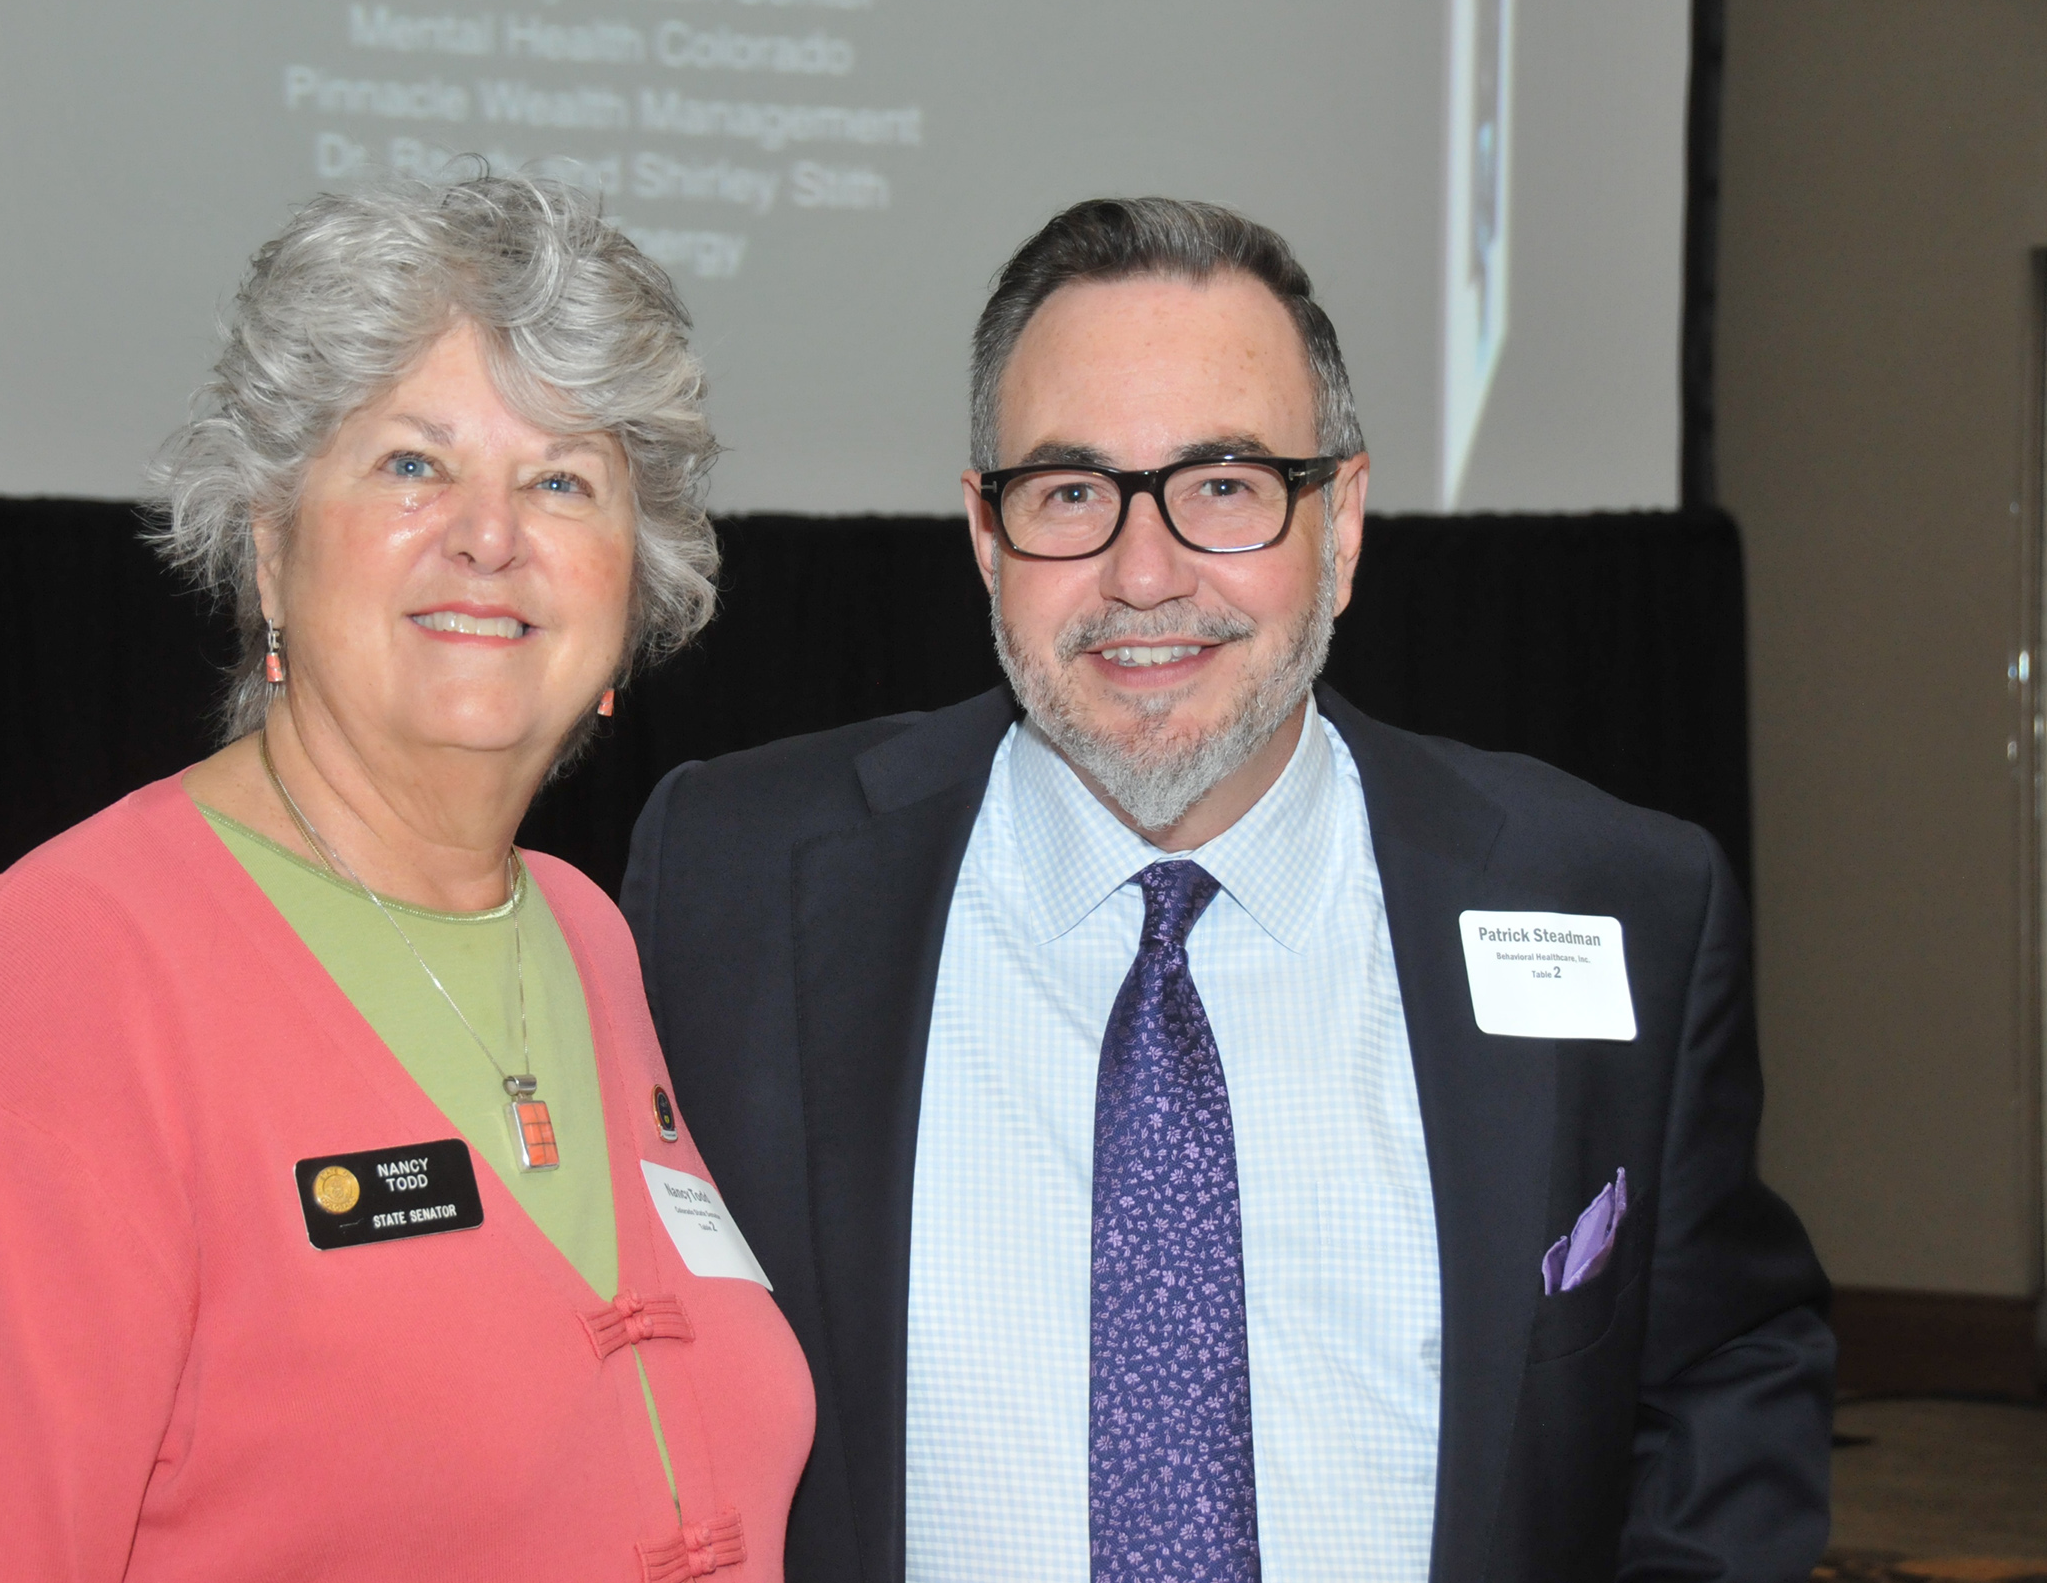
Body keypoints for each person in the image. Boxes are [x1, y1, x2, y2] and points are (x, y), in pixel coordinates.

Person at [620, 198, 1832, 1582]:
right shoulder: (734, 886)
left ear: (1345, 520)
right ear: (984, 533)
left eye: (1225, 486)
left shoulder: (1617, 902)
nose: (1146, 574)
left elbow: (1724, 1372)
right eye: (1071, 492)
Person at [0, 173, 812, 1580]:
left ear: (637, 580)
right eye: (413, 464)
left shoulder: (587, 934)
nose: (491, 536)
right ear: (268, 547)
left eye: (564, 479)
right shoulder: (59, 981)